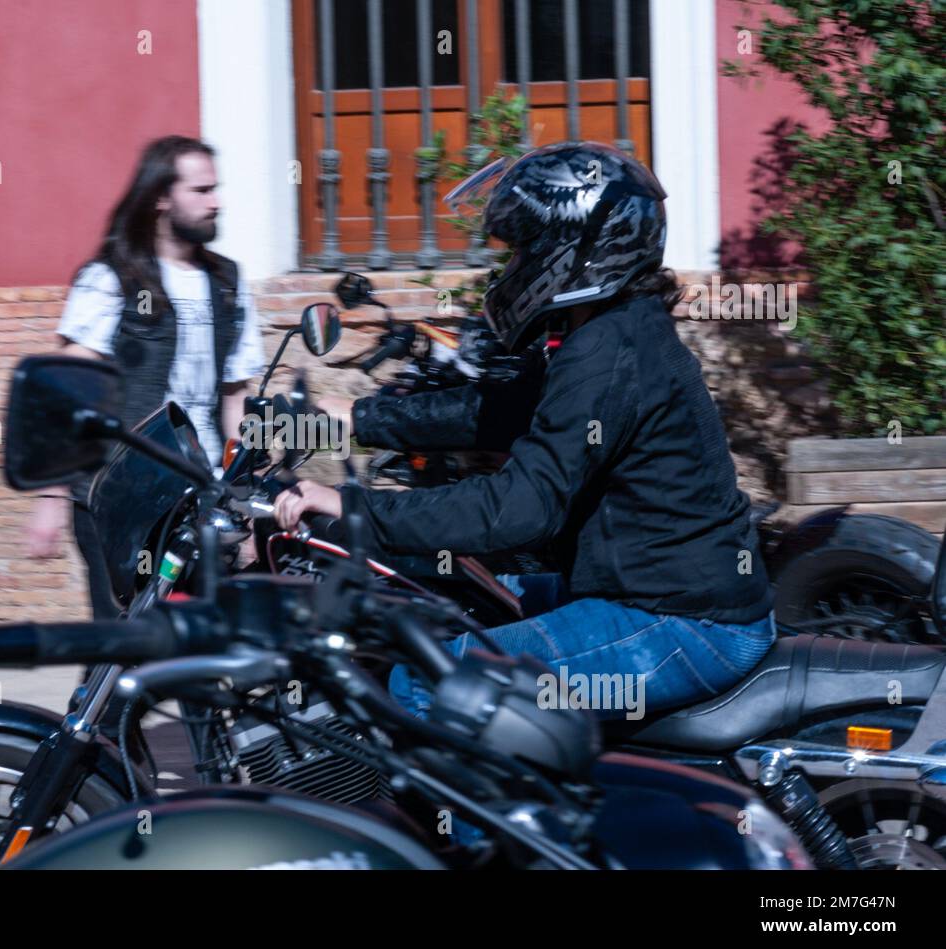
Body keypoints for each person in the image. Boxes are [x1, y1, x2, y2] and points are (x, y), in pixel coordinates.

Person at [275, 141, 776, 720]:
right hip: (650, 592)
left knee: (428, 683)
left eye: (521, 252)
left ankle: (479, 815)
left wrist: (349, 506)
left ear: (575, 249)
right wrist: (356, 417)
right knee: (449, 600)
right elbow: (499, 411)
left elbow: (520, 507)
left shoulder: (607, 349)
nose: (511, 270)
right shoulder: (610, 331)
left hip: (682, 621)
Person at [26, 135, 267, 560]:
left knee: (211, 626)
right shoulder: (111, 279)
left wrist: (243, 494)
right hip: (125, 498)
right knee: (133, 628)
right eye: (201, 191)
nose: (217, 203)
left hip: (207, 498)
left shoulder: (228, 283)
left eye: (215, 189)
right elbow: (68, 390)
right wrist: (51, 495)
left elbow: (236, 401)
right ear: (160, 197)